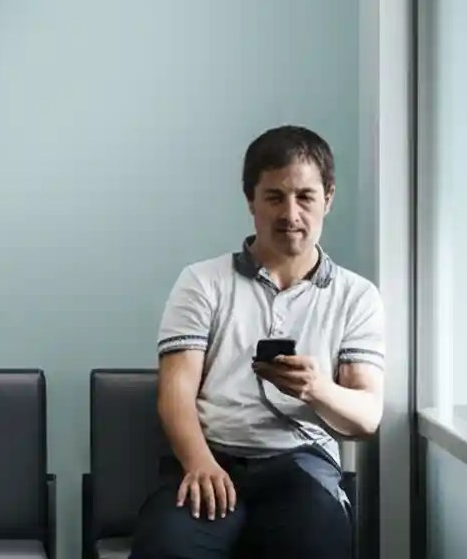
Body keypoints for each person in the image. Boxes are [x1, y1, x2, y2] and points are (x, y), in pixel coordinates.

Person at [130, 126, 385, 559]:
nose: (291, 213)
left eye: (305, 196)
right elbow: (175, 393)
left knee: (315, 546)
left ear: (329, 198)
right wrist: (199, 463)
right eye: (274, 197)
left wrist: (315, 388)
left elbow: (367, 417)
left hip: (302, 464)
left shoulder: (356, 296)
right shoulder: (202, 282)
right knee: (167, 548)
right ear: (251, 201)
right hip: (212, 457)